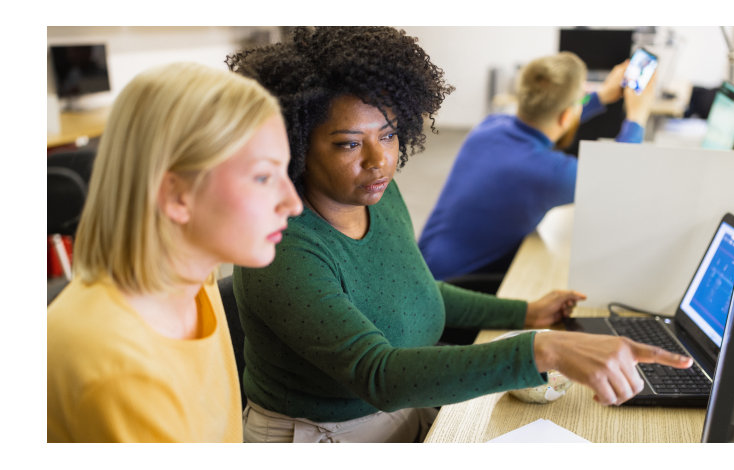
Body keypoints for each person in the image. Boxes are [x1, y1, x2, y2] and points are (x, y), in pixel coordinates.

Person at [226, 26, 690, 443]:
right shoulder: (281, 247)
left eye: (388, 135)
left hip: (398, 405)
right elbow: (378, 374)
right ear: (295, 141)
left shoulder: (377, 195)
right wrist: (542, 348)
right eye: (349, 143)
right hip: (326, 431)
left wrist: (525, 312)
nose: (379, 160)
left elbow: (417, 293)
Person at [46, 62, 303, 442]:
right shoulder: (117, 367)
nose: (292, 202)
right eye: (264, 177)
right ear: (176, 195)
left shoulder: (199, 285)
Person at [418, 52, 656, 291]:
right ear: (566, 115)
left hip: (423, 269)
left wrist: (601, 96)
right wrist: (637, 117)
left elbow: (560, 113)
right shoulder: (550, 173)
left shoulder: (490, 125)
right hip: (451, 292)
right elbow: (620, 173)